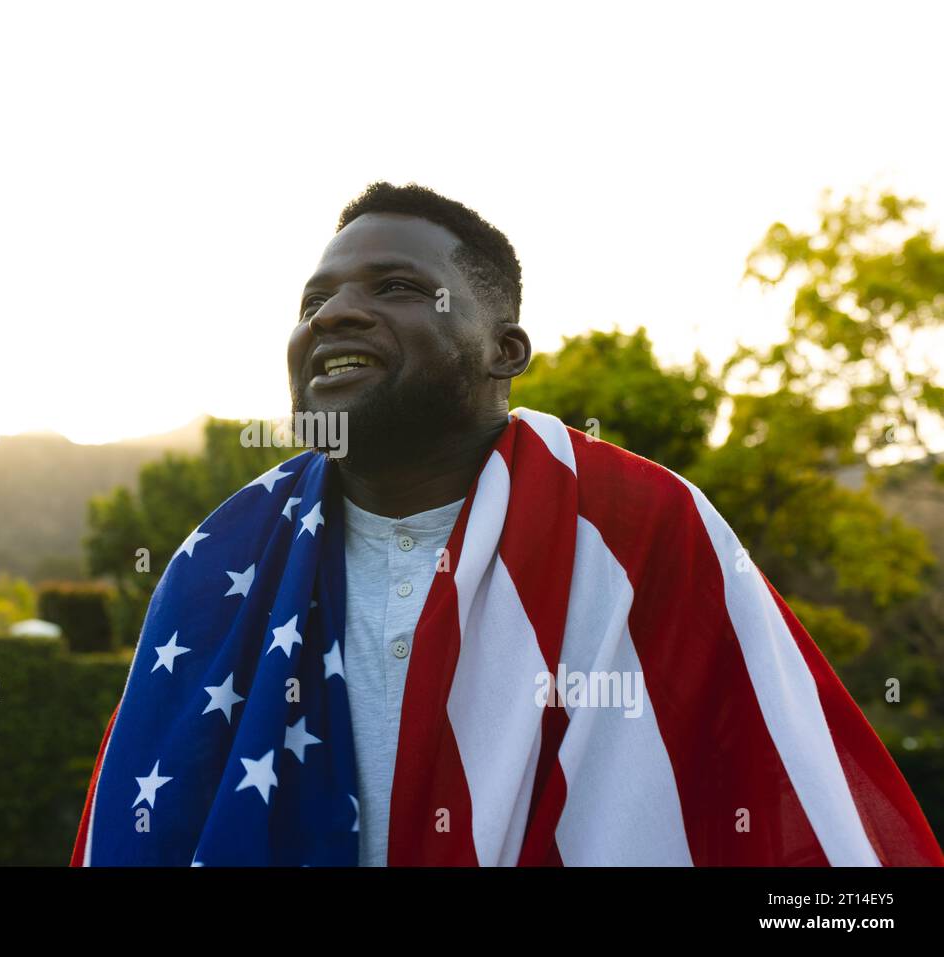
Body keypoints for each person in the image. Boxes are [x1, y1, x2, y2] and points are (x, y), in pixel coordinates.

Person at [72, 181, 943, 866]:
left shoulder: (646, 530)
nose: (332, 315)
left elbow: (789, 805)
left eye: (399, 287)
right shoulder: (213, 561)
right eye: (314, 301)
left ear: (505, 350)